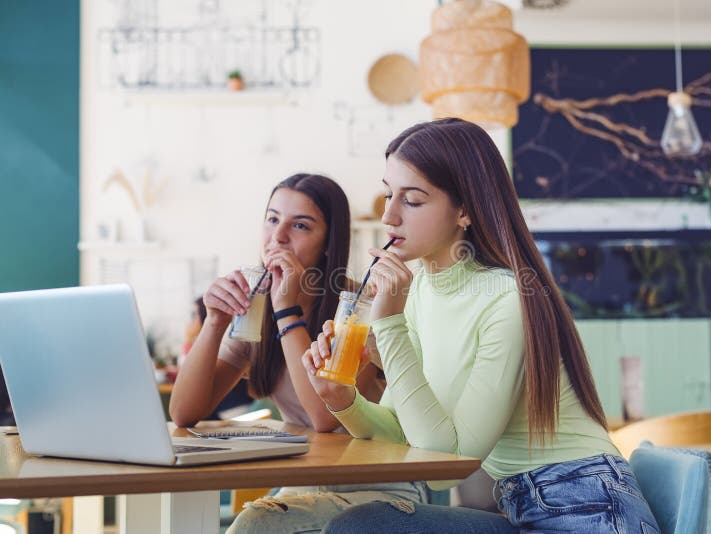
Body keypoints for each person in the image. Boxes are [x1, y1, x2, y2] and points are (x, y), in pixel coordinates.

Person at [301, 119, 660, 533]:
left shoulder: (508, 299)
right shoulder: (417, 294)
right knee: (360, 525)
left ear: (465, 210)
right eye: (388, 194)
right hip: (518, 507)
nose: (389, 216)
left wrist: (390, 325)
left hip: (588, 506)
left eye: (412, 201)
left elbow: (447, 469)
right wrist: (343, 399)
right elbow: (405, 433)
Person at [169, 173, 427, 534]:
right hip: (308, 482)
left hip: (377, 489)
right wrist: (214, 321)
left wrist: (286, 310)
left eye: (300, 225)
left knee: (253, 525)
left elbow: (325, 416)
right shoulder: (256, 309)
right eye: (272, 219)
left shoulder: (358, 309)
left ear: (327, 243)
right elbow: (184, 412)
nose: (278, 236)